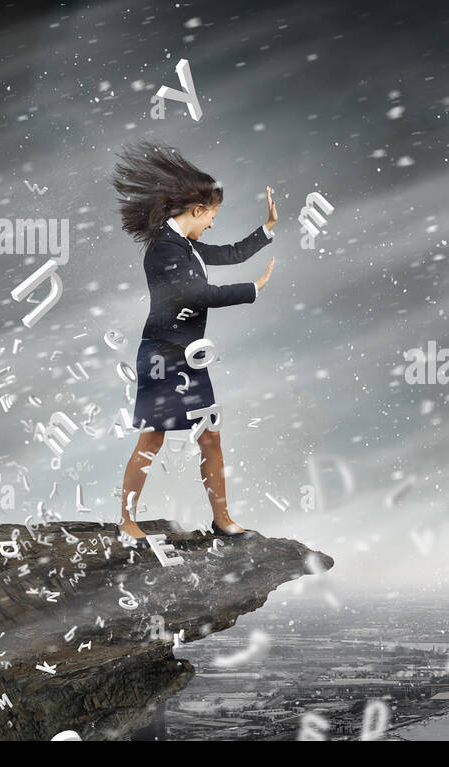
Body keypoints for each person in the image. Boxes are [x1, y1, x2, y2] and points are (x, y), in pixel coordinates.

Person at [110, 140, 277, 545]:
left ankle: (222, 520)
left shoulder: (186, 245)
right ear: (196, 210)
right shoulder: (165, 249)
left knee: (210, 434)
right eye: (213, 216)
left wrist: (267, 230)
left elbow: (231, 252)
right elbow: (195, 296)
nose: (213, 224)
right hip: (162, 355)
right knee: (152, 436)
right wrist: (253, 289)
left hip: (188, 358)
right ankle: (126, 520)